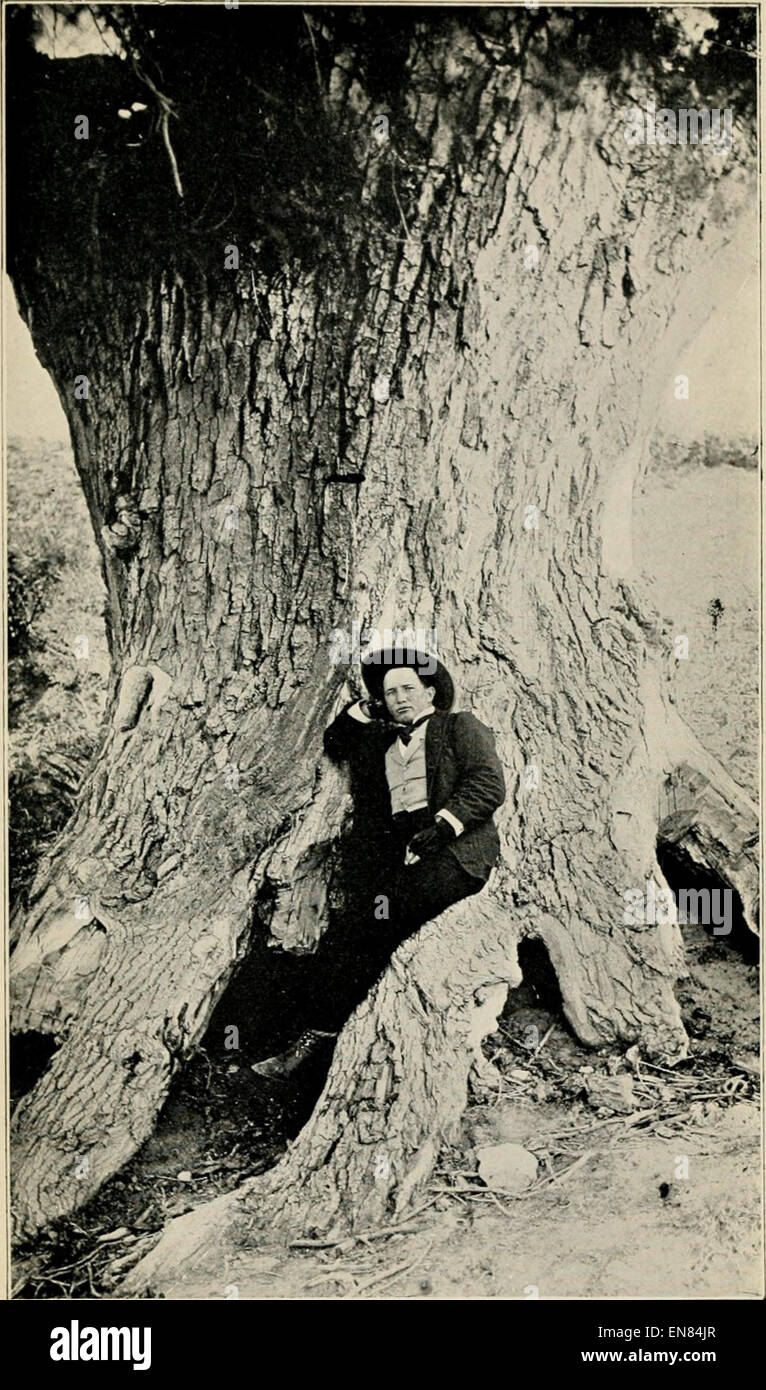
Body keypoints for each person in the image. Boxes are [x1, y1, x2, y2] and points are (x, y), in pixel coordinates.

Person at [251, 645, 506, 1079]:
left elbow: (487, 783)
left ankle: (317, 1042)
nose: (400, 698)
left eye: (409, 688)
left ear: (430, 692)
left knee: (367, 933)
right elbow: (336, 742)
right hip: (405, 859)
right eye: (390, 693)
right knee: (349, 935)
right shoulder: (384, 741)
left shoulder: (460, 726)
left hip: (453, 853)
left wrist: (441, 829)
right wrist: (368, 706)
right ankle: (321, 1039)